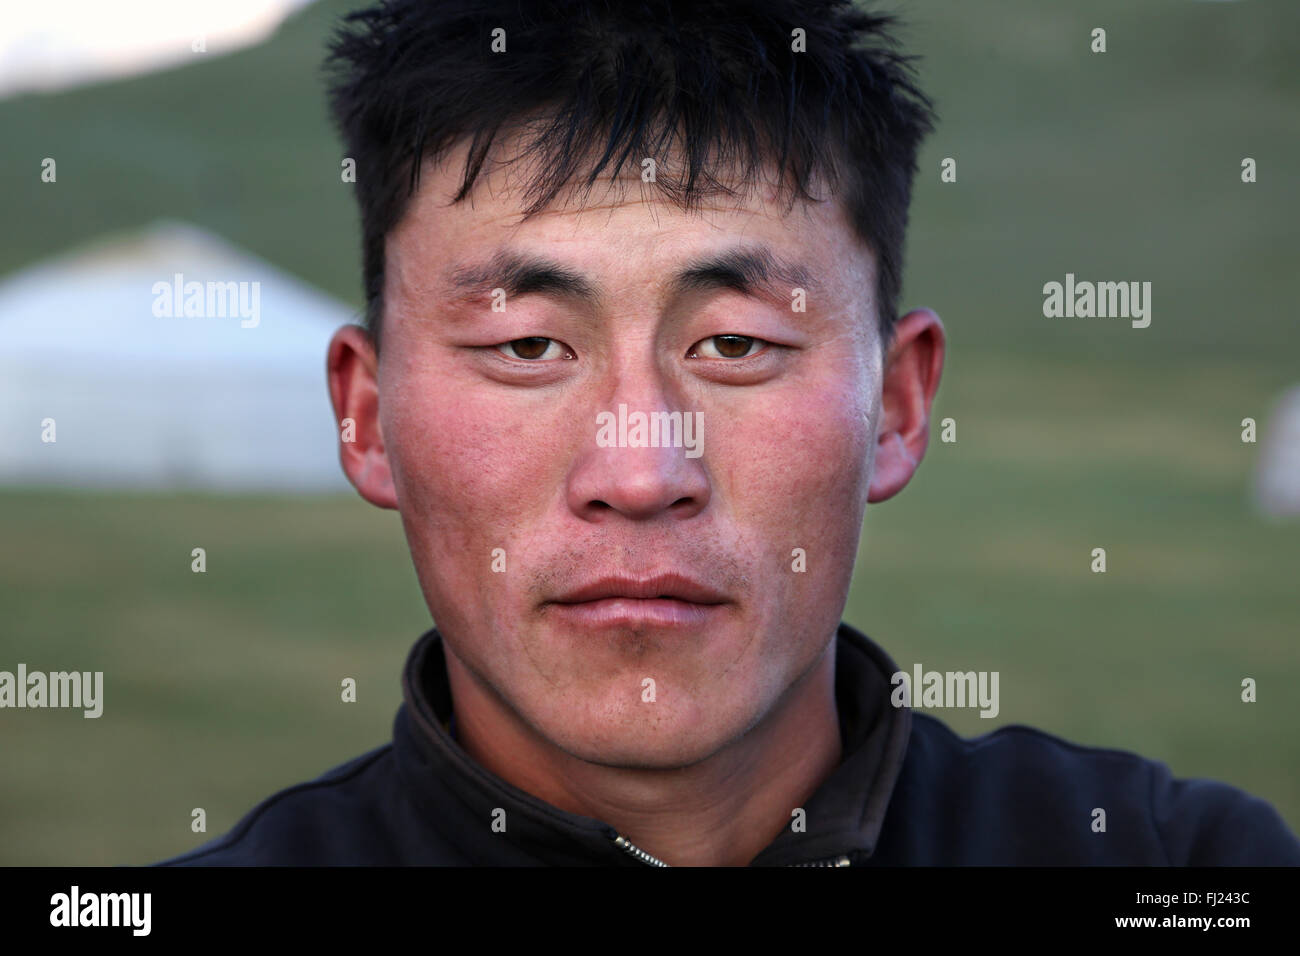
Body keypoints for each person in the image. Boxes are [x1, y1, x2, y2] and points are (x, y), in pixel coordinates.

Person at [159, 0, 1299, 866]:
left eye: (738, 344)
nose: (642, 470)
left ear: (897, 404)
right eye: (526, 346)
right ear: (365, 416)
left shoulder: (1173, 863)